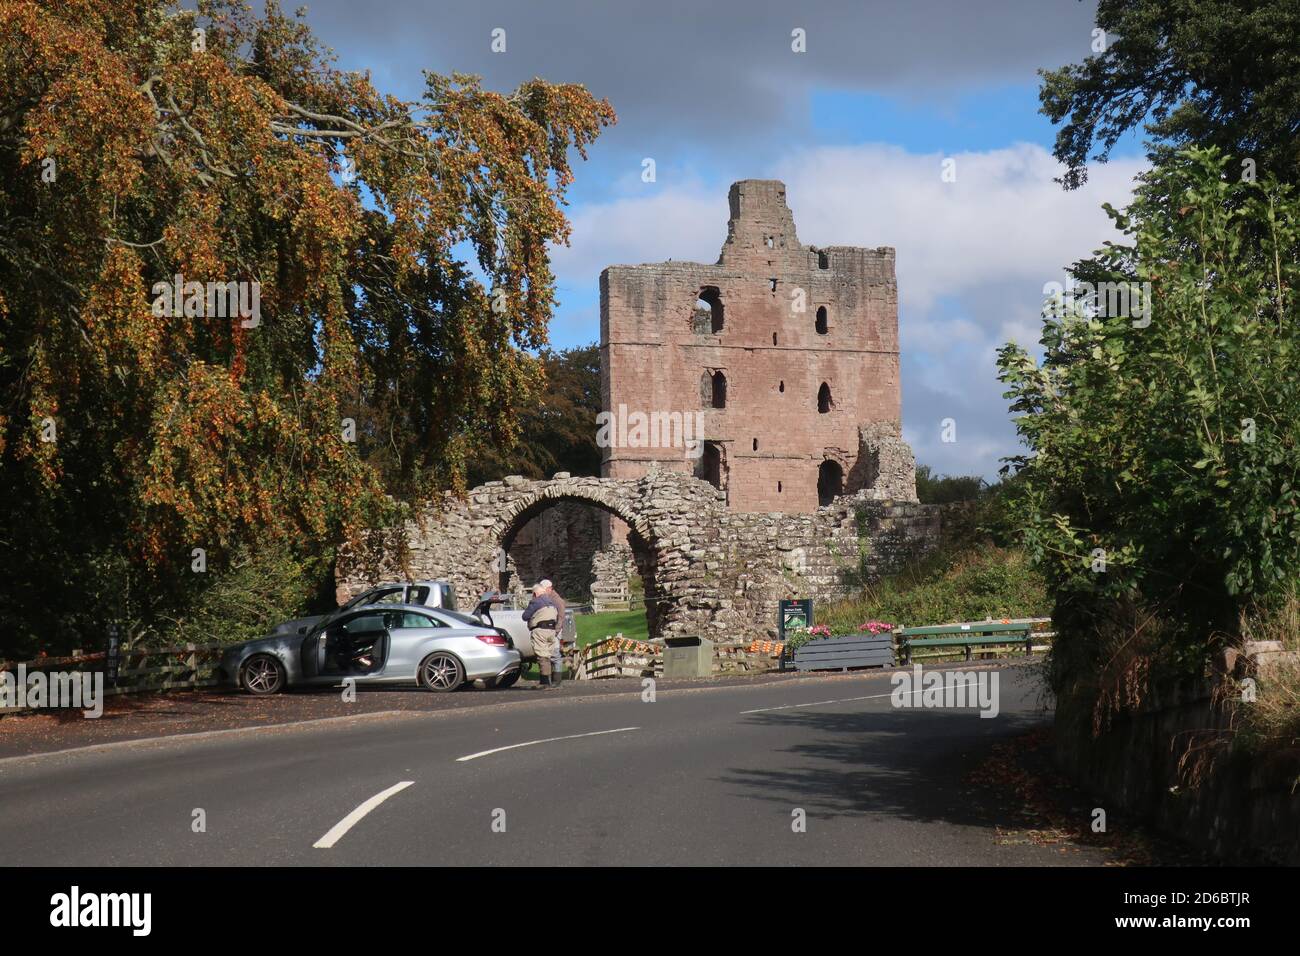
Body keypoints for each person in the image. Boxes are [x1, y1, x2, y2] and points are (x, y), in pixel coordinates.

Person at [522, 582, 560, 688]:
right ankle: (551, 681)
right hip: (552, 631)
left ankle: (544, 683)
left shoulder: (536, 601)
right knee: (548, 655)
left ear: (535, 593)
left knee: (542, 657)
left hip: (540, 631)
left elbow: (525, 616)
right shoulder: (551, 602)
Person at [542, 580, 567, 687]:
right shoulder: (548, 598)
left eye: (543, 589)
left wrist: (556, 630)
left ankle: (557, 681)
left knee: (556, 655)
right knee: (548, 655)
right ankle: (551, 680)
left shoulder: (557, 600)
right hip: (549, 631)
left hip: (555, 631)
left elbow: (561, 617)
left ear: (549, 588)